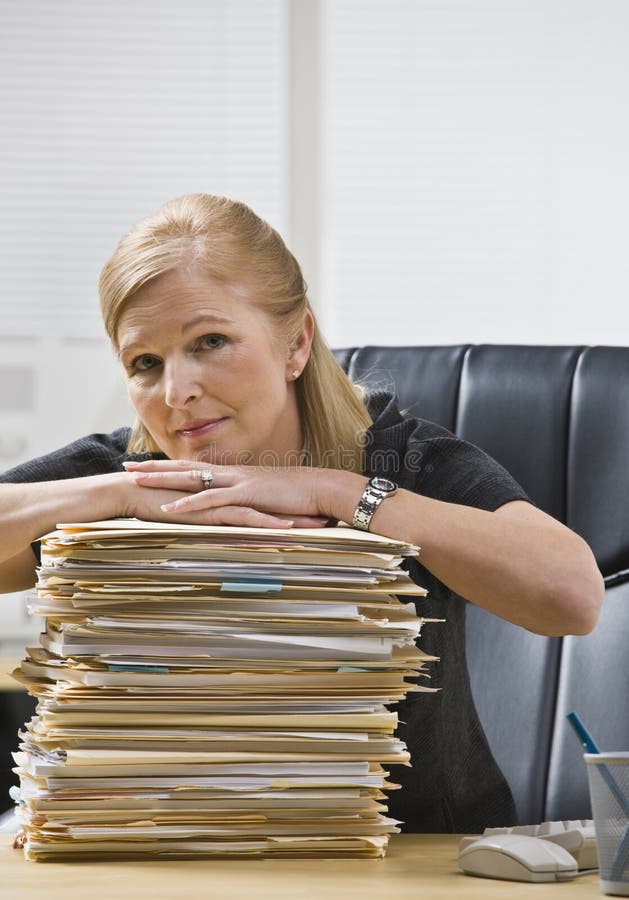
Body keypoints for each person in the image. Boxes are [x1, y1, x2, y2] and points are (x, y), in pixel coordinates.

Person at [0, 193, 604, 832]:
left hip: (415, 859)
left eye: (210, 341)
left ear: (296, 343)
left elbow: (572, 595)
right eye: (145, 363)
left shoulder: (401, 459)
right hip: (178, 851)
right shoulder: (136, 470)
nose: (176, 392)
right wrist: (112, 497)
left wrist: (338, 493)